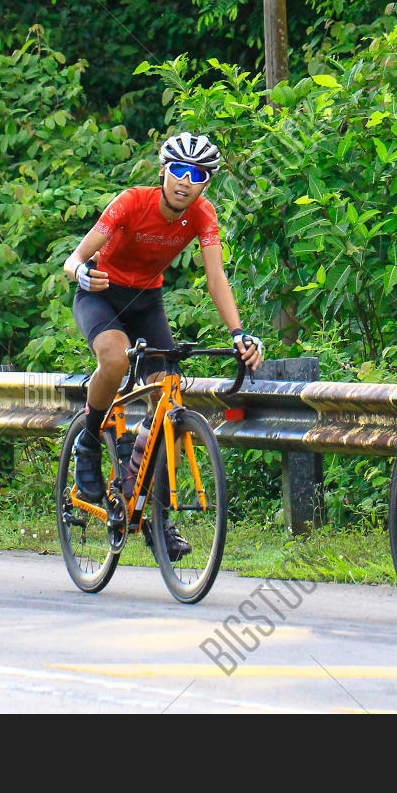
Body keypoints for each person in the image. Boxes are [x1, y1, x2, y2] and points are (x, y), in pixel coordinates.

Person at [62, 132, 265, 556]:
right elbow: (73, 260)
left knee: (167, 405)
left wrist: (237, 333)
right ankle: (89, 438)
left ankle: (155, 515)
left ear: (206, 183)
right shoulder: (132, 201)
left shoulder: (203, 216)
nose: (185, 181)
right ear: (163, 171)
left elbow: (215, 278)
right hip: (101, 292)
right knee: (115, 360)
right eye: (178, 170)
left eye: (197, 174)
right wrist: (82, 274)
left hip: (146, 302)